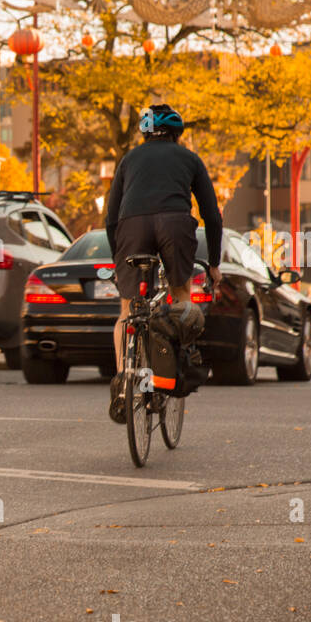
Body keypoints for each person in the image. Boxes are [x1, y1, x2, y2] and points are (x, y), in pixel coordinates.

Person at [103, 104, 224, 423]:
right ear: (175, 133)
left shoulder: (128, 159)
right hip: (175, 224)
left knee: (127, 308)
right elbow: (211, 214)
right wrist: (214, 263)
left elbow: (110, 217)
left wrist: (119, 256)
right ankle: (177, 366)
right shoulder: (189, 159)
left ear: (145, 133)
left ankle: (123, 378)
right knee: (181, 293)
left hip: (132, 226)